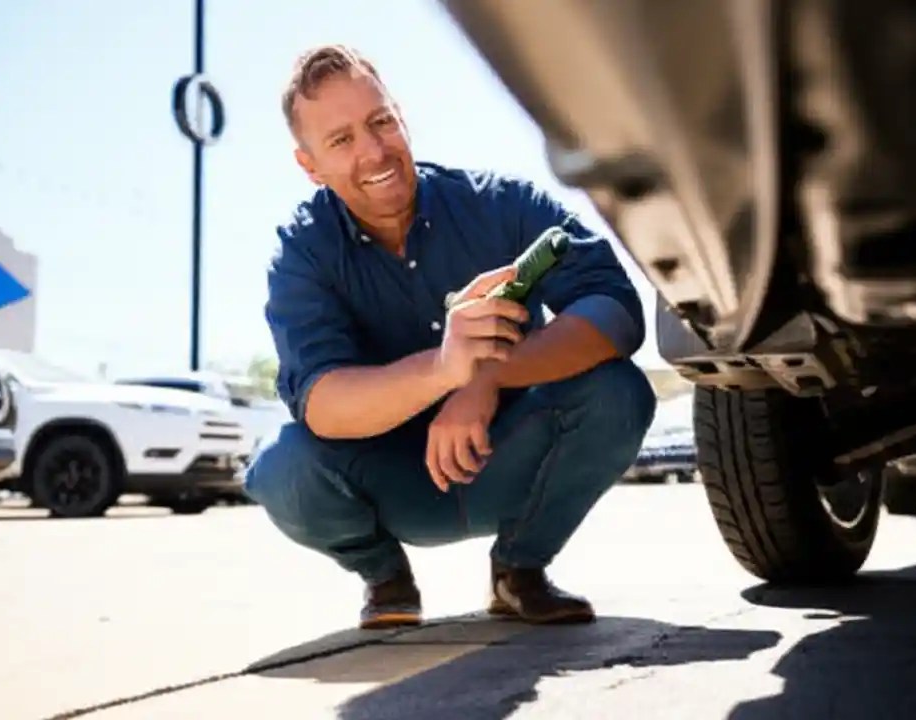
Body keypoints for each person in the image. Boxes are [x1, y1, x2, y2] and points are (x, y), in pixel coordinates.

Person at [243, 44, 657, 630]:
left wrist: (487, 374)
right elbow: (323, 405)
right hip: (393, 486)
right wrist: (443, 368)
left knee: (619, 391)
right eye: (341, 140)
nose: (374, 150)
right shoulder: (302, 254)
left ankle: (519, 570)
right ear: (310, 166)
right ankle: (385, 576)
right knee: (281, 468)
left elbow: (617, 312)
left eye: (381, 122)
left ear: (401, 117)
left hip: (504, 459)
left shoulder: (501, 205)